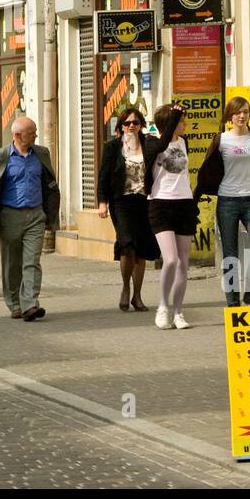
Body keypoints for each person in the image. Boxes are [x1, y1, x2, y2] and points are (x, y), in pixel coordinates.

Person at [196, 97, 250, 307]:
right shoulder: (221, 140)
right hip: (227, 201)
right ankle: (233, 302)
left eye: (245, 112)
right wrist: (194, 200)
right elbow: (206, 172)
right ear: (230, 116)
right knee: (230, 255)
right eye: (237, 112)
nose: (242, 116)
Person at [0, 116, 61, 322]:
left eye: (35, 131)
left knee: (32, 262)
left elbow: (49, 183)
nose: (35, 135)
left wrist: (50, 214)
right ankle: (14, 303)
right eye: (31, 133)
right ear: (17, 135)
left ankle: (30, 304)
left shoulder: (41, 154)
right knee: (11, 264)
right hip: (10, 216)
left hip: (36, 215)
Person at [96, 106, 160, 312]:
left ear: (141, 125)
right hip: (121, 202)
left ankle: (138, 295)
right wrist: (102, 202)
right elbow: (104, 175)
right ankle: (125, 287)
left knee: (140, 249)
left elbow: (166, 143)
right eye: (127, 123)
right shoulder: (113, 147)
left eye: (135, 122)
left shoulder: (149, 144)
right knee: (127, 245)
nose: (131, 126)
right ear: (121, 126)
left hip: (145, 202)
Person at [144, 104, 196, 331]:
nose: (185, 124)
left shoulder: (184, 142)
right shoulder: (151, 141)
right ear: (172, 122)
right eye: (181, 120)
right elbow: (162, 144)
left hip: (184, 203)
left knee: (184, 263)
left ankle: (178, 312)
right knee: (171, 260)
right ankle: (163, 307)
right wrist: (174, 115)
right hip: (161, 203)